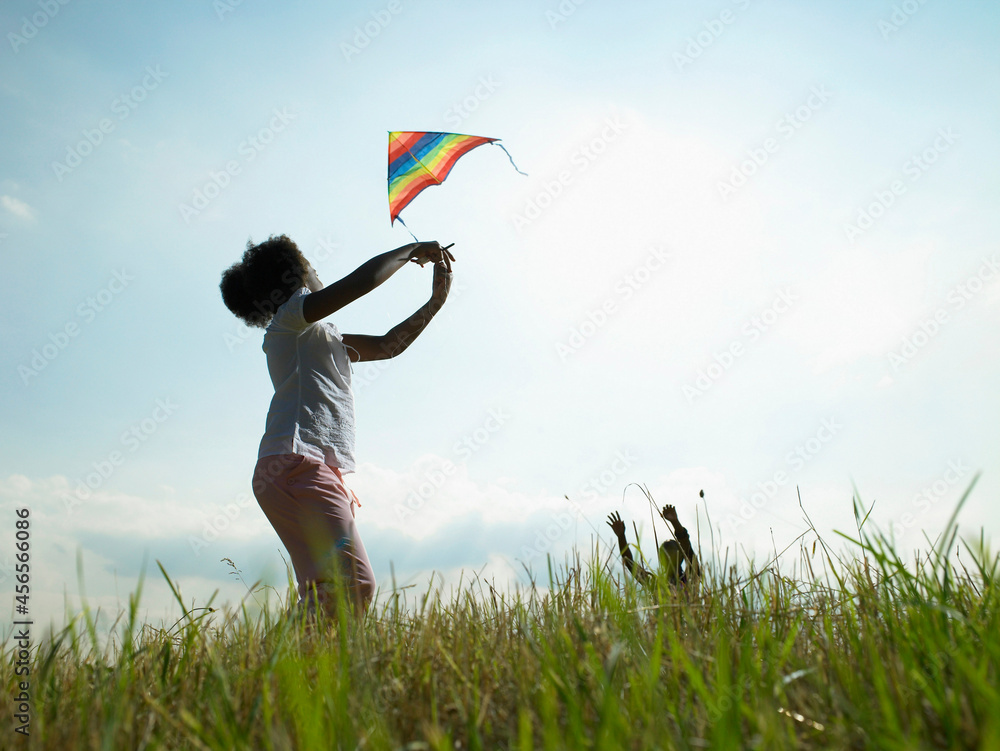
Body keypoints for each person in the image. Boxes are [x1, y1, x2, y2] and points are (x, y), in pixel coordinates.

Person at [220, 234, 454, 619]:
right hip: (296, 465)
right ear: (296, 279)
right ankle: (292, 670)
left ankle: (276, 672)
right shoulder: (289, 322)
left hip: (297, 469)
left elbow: (387, 345)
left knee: (332, 589)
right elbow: (360, 283)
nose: (318, 273)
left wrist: (435, 302)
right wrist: (410, 250)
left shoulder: (319, 337)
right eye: (311, 266)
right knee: (352, 585)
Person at [606, 504, 699, 588]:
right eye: (665, 555)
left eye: (671, 553)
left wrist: (675, 522)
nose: (669, 557)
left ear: (681, 556)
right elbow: (629, 563)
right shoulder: (657, 585)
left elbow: (687, 548)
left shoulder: (691, 578)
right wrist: (621, 537)